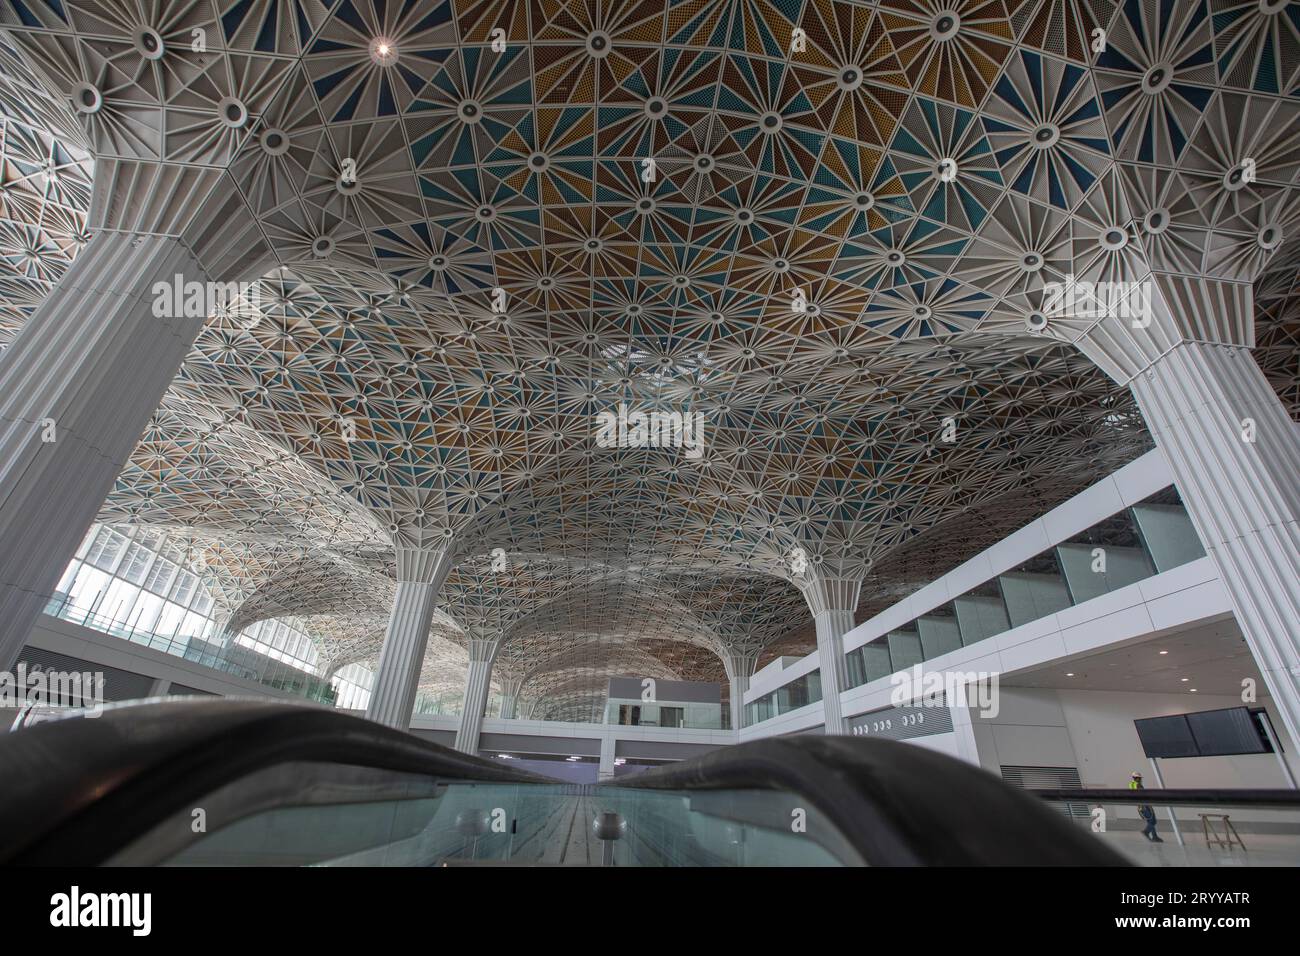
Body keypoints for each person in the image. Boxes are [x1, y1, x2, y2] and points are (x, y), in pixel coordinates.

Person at [1129, 772, 1163, 842]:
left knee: (1150, 821)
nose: (1140, 779)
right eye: (1139, 778)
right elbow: (1143, 795)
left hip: (1140, 806)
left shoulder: (1131, 784)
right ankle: (1146, 832)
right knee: (1153, 821)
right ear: (1136, 778)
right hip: (1145, 805)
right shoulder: (1138, 785)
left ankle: (1155, 837)